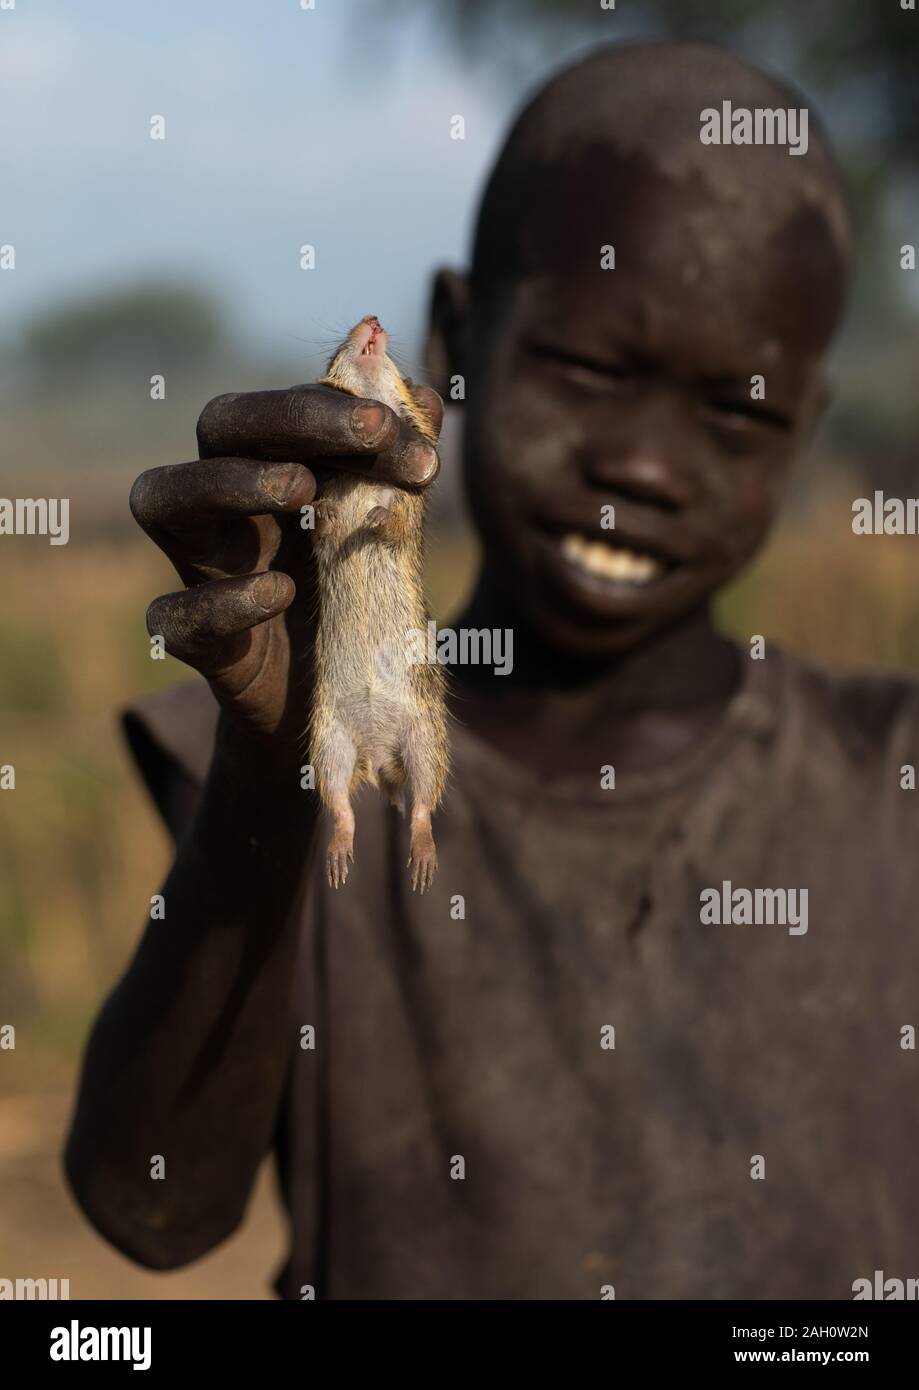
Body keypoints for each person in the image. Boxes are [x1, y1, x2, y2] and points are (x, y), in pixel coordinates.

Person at [64, 42, 919, 1300]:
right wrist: (272, 766)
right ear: (455, 343)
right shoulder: (260, 765)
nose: (641, 463)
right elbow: (150, 1209)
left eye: (732, 408)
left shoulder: (884, 780)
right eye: (585, 370)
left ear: (804, 421)